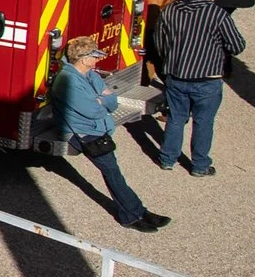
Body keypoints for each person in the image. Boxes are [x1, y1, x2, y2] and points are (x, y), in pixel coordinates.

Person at [56, 36, 170, 233]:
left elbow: (112, 100)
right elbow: (93, 110)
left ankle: (138, 212)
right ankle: (131, 215)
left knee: (113, 172)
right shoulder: (68, 82)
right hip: (85, 133)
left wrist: (101, 100)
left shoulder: (89, 74)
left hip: (95, 130)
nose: (98, 58)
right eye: (95, 55)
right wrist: (101, 101)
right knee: (113, 173)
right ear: (83, 59)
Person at [156, 0, 244, 177]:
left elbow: (160, 40)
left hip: (176, 75)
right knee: (203, 122)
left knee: (176, 119)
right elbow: (237, 45)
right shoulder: (217, 15)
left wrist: (169, 59)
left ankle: (167, 159)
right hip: (207, 79)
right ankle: (199, 165)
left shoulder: (171, 10)